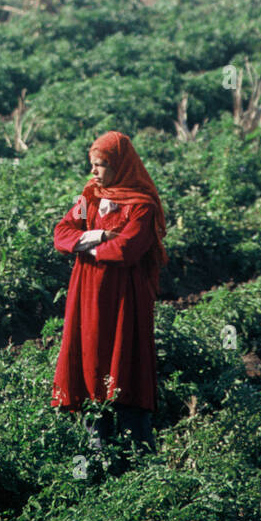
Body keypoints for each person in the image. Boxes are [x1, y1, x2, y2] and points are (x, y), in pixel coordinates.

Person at [51, 130, 168, 459]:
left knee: (123, 354)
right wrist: (98, 234)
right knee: (89, 351)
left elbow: (127, 248)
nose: (94, 172)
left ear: (121, 166)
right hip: (87, 291)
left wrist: (86, 246)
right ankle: (96, 441)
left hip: (124, 296)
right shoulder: (89, 198)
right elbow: (62, 232)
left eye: (101, 165)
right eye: (92, 164)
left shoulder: (140, 206)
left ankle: (136, 446)